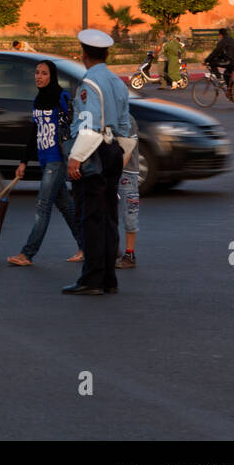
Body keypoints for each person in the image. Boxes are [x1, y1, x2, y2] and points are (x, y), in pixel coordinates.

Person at [63, 29, 132, 296]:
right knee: (109, 218)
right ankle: (108, 279)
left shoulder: (89, 84)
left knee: (91, 218)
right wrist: (121, 154)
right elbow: (125, 124)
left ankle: (91, 279)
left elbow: (89, 124)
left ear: (84, 54)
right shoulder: (117, 81)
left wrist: (75, 157)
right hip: (113, 149)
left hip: (93, 152)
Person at [6, 60, 82, 266]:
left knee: (42, 205)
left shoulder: (61, 96)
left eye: (44, 73)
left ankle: (27, 253)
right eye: (37, 73)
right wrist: (23, 162)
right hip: (43, 158)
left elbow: (71, 128)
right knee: (66, 207)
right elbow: (34, 133)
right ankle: (87, 245)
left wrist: (74, 156)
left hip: (57, 159)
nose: (38, 76)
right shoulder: (38, 99)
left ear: (52, 76)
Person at [116, 112, 141, 269]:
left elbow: (128, 151)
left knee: (129, 214)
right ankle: (112, 250)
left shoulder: (128, 119)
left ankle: (130, 254)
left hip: (127, 173)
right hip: (111, 171)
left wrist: (114, 172)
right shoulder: (107, 115)